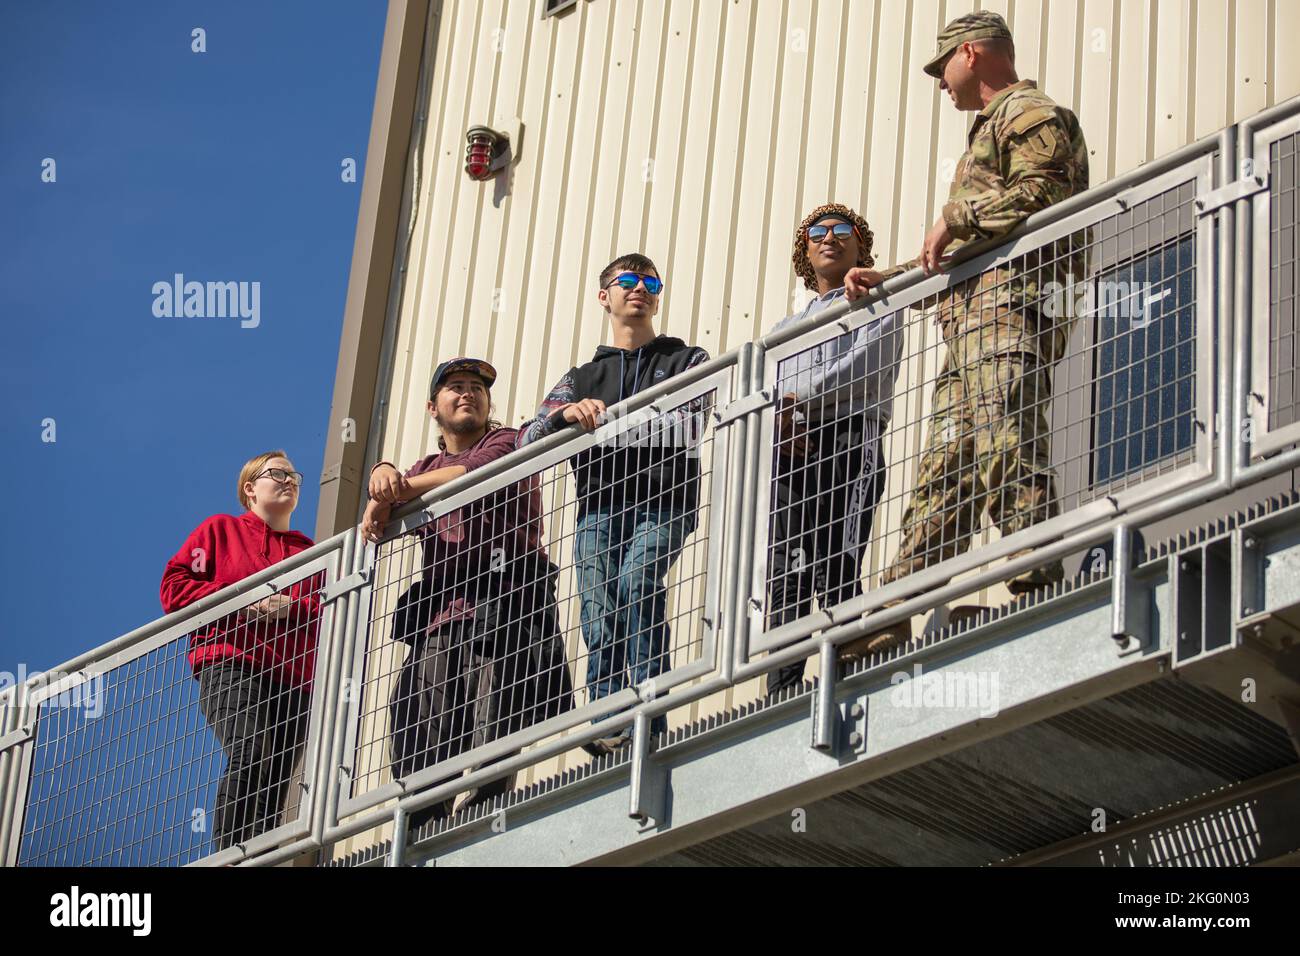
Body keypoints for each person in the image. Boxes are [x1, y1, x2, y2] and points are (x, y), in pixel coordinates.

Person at [841, 11, 1089, 657]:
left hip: (1014, 309)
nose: (939, 82)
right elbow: (972, 242)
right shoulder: (990, 128)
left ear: (972, 54)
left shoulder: (1028, 111)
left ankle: (1038, 573)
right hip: (974, 319)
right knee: (947, 462)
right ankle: (898, 606)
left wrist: (956, 214)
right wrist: (893, 277)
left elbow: (1046, 188)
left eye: (943, 65)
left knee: (1008, 429)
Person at [364, 358, 572, 827]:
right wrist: (383, 476)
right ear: (432, 407)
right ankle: (424, 825)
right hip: (441, 618)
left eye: (477, 388)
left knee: (494, 722)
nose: (468, 394)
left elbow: (466, 476)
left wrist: (388, 491)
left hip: (502, 610)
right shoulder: (424, 466)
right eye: (455, 387)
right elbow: (400, 490)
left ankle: (481, 822)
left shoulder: (507, 440)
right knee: (423, 727)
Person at [518, 253, 709, 754]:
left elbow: (688, 425)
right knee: (600, 612)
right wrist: (566, 419)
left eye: (650, 281)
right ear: (605, 296)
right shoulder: (580, 378)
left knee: (637, 583)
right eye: (627, 281)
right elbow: (527, 439)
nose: (639, 288)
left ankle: (648, 716)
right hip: (599, 507)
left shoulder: (689, 359)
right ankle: (608, 724)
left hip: (664, 499)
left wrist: (601, 429)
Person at [764, 203, 903, 695]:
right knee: (787, 570)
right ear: (805, 252)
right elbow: (766, 387)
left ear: (861, 245)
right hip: (791, 452)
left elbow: (867, 367)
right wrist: (782, 413)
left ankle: (845, 678)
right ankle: (780, 691)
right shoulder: (782, 330)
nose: (830, 238)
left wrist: (796, 401)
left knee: (836, 559)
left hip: (848, 438)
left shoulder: (879, 300)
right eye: (817, 232)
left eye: (842, 230)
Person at [161, 451, 320, 851]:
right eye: (277, 474)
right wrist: (241, 601)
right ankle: (230, 857)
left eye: (294, 476)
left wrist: (295, 607)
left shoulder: (311, 553)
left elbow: (327, 609)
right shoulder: (219, 531)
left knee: (275, 782)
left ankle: (257, 859)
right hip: (231, 662)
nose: (289, 480)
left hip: (294, 683)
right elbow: (174, 587)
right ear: (250, 489)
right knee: (250, 751)